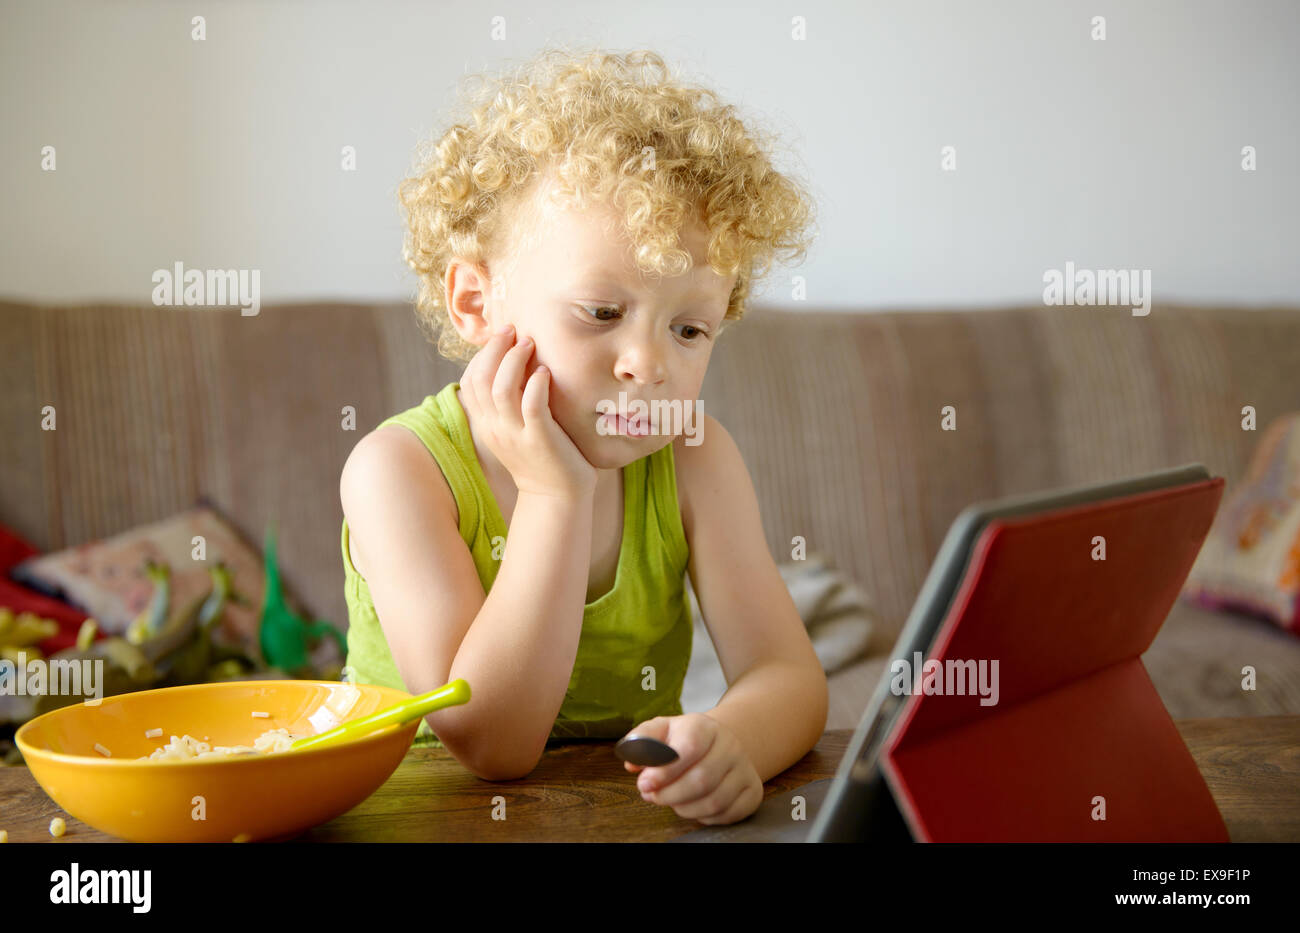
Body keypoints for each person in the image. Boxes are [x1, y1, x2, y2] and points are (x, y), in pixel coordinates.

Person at [340, 48, 825, 826]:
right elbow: (492, 743)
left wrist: (733, 740)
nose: (648, 364)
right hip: (420, 814)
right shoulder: (399, 471)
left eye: (690, 327)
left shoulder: (695, 458)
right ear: (476, 303)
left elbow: (788, 674)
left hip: (617, 817)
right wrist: (553, 492)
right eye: (602, 312)